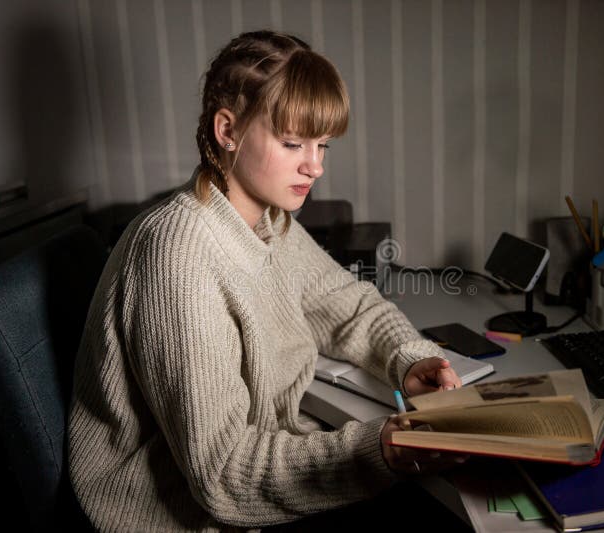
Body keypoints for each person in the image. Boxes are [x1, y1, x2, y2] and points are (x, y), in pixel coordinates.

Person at [69, 30, 466, 531]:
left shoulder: (267, 219)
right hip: (178, 516)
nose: (315, 165)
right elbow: (222, 475)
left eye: (322, 144)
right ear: (227, 130)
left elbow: (343, 301)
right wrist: (382, 448)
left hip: (252, 481)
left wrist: (408, 358)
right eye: (293, 142)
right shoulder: (177, 256)